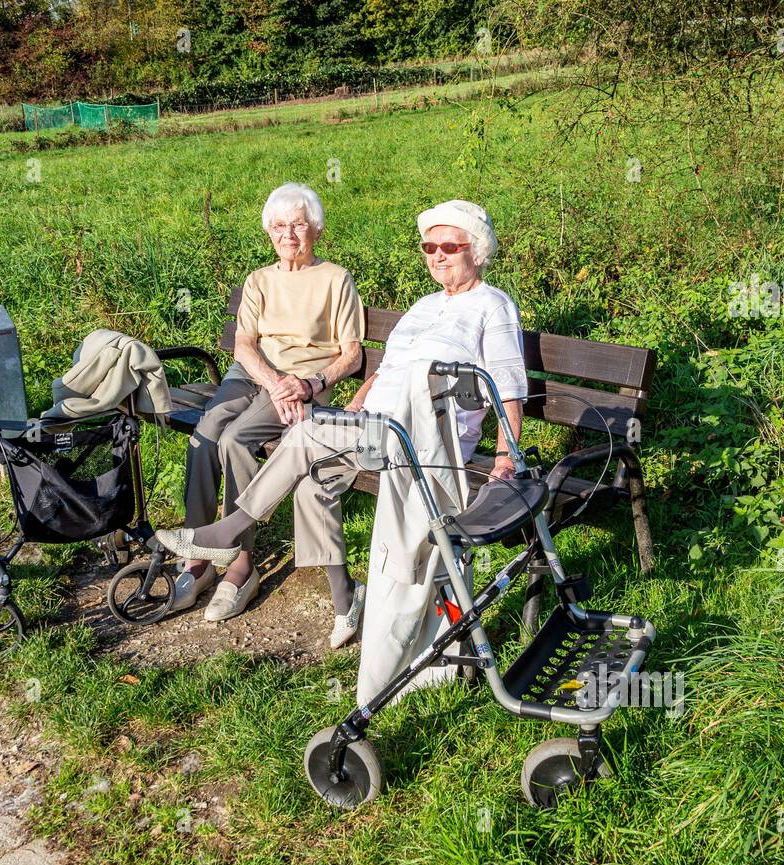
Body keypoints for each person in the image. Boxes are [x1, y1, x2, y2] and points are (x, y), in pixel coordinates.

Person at [157, 199, 527, 647]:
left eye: (449, 246)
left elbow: (508, 385)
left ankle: (228, 532)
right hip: (375, 426)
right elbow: (384, 369)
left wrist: (507, 455)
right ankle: (344, 598)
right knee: (314, 480)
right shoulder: (424, 306)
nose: (437, 256)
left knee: (306, 430)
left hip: (424, 437)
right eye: (429, 247)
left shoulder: (493, 306)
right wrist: (355, 405)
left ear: (478, 251)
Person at [171, 182, 365, 623]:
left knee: (236, 440)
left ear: (315, 227)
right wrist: (274, 380)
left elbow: (351, 355)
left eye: (297, 224)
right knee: (204, 437)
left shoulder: (336, 278)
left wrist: (309, 384)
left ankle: (241, 562)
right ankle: (197, 559)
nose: (288, 235)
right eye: (279, 226)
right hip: (256, 376)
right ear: (268, 232)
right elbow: (242, 346)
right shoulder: (259, 280)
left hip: (303, 384)